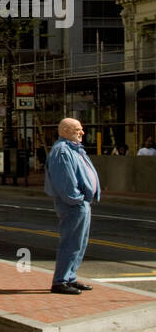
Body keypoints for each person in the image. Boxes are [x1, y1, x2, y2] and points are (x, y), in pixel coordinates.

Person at [44, 117, 100, 294]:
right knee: (71, 242)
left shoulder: (74, 148)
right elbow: (65, 182)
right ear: (66, 131)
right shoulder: (62, 151)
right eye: (78, 129)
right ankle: (60, 281)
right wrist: (77, 199)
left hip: (81, 203)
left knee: (79, 243)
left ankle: (70, 277)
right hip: (73, 204)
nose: (82, 132)